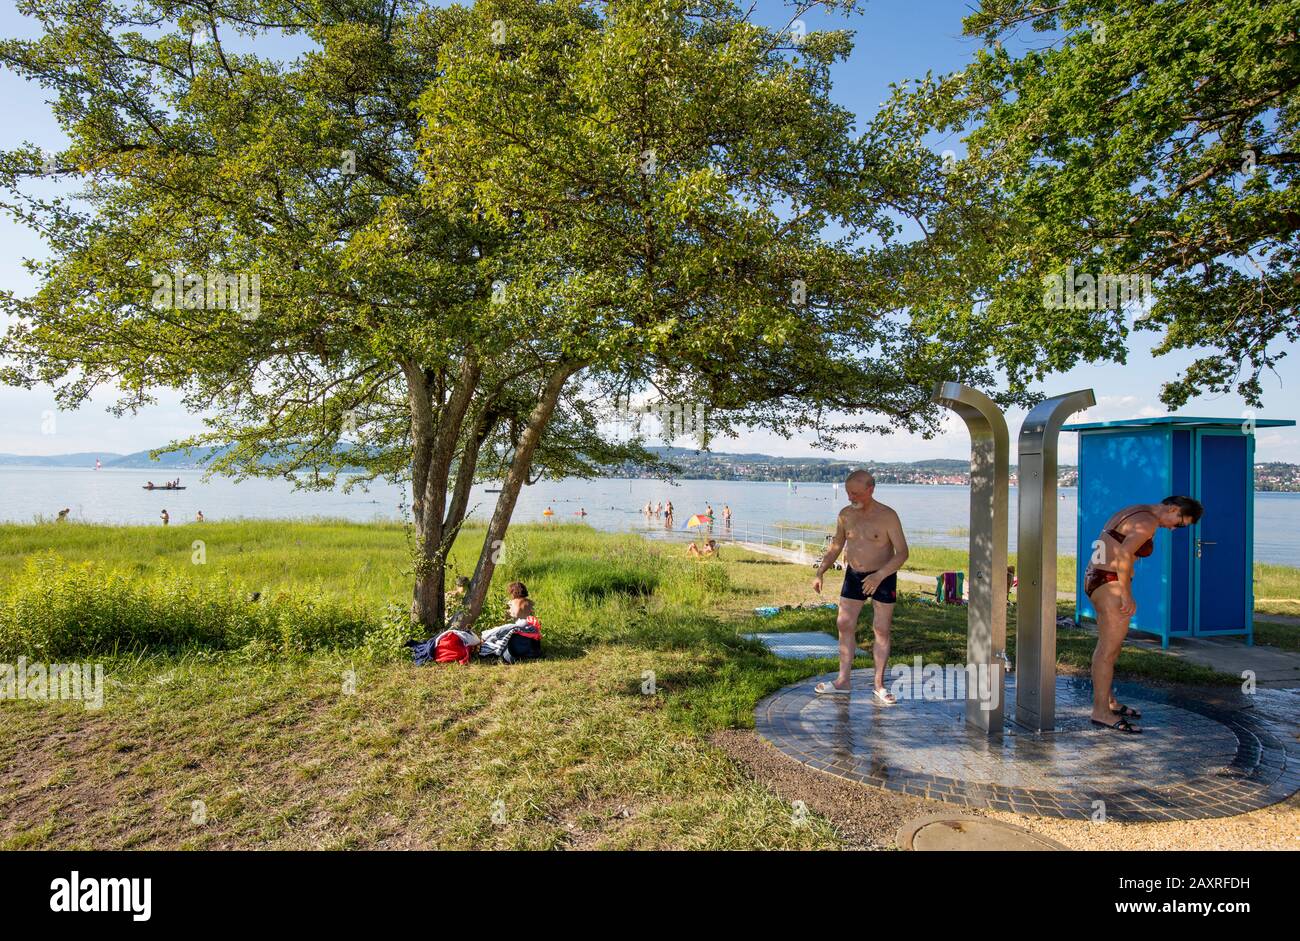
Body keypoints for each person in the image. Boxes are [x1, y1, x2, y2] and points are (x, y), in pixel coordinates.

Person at [1084, 496, 1203, 733]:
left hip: (1096, 577)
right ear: (1173, 508)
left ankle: (1108, 702)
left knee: (1109, 648)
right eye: (1178, 524)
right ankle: (1101, 712)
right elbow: (1125, 555)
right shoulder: (1146, 522)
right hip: (1110, 584)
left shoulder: (1132, 509)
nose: (1173, 529)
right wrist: (1126, 593)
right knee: (1108, 652)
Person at [812, 470, 909, 703]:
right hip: (854, 576)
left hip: (883, 576)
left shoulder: (888, 516)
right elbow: (836, 546)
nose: (849, 497)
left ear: (870, 489)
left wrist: (879, 575)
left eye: (855, 493)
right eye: (847, 492)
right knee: (844, 623)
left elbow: (902, 553)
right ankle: (843, 681)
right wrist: (820, 571)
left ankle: (879, 685)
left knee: (881, 629)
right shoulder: (845, 515)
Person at [479, 581, 543, 662]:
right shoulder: (531, 603)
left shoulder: (511, 603)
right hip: (529, 632)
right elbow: (533, 618)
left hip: (517, 629)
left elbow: (504, 619)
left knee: (499, 632)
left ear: (513, 592)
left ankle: (487, 646)